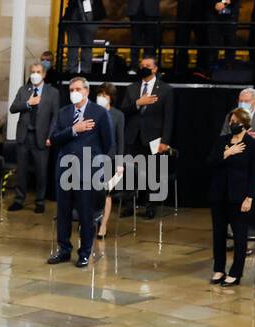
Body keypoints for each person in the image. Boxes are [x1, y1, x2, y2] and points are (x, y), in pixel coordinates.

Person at [48, 77, 113, 268]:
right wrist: (74, 130)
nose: (73, 92)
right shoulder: (63, 113)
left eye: (77, 89)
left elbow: (108, 143)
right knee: (63, 213)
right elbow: (54, 138)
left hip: (88, 171)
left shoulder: (99, 113)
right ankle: (64, 250)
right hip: (65, 170)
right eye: (71, 89)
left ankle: (85, 252)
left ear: (86, 91)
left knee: (86, 214)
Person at [208, 108, 255, 286]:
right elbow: (210, 163)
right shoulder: (222, 141)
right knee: (219, 234)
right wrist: (227, 153)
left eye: (236, 122)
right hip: (219, 195)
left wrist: (249, 197)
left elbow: (254, 174)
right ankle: (218, 269)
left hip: (239, 197)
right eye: (231, 121)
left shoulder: (252, 145)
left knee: (239, 236)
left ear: (245, 124)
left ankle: (236, 273)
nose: (233, 124)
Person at [120, 55, 174, 218]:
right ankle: (129, 204)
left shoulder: (165, 89)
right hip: (132, 136)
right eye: (142, 64)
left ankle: (151, 206)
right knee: (129, 171)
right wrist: (138, 103)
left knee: (153, 172)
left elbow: (169, 117)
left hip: (153, 137)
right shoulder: (131, 88)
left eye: (148, 65)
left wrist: (165, 141)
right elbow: (123, 111)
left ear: (155, 68)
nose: (144, 67)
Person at [8, 64, 59, 214]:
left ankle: (40, 201)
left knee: (41, 171)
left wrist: (50, 136)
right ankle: (19, 199)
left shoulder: (53, 93)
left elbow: (55, 117)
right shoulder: (24, 90)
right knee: (21, 170)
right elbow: (13, 108)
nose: (34, 75)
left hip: (42, 137)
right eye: (32, 72)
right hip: (24, 136)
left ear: (44, 75)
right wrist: (28, 104)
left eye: (37, 72)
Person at [218, 88, 255, 191]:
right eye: (240, 101)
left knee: (249, 202)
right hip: (232, 168)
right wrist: (242, 135)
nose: (242, 103)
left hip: (253, 169)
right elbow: (222, 139)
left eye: (246, 101)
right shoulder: (231, 116)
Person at [93, 83, 126, 239]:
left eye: (105, 95)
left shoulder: (118, 115)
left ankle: (103, 225)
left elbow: (120, 141)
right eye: (100, 95)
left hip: (110, 160)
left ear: (111, 98)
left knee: (106, 194)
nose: (101, 98)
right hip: (92, 158)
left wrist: (119, 163)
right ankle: (90, 221)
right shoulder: (91, 111)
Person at [59, 0, 103, 74]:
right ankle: (71, 70)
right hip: (73, 18)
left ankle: (86, 71)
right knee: (72, 46)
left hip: (90, 18)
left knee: (87, 46)